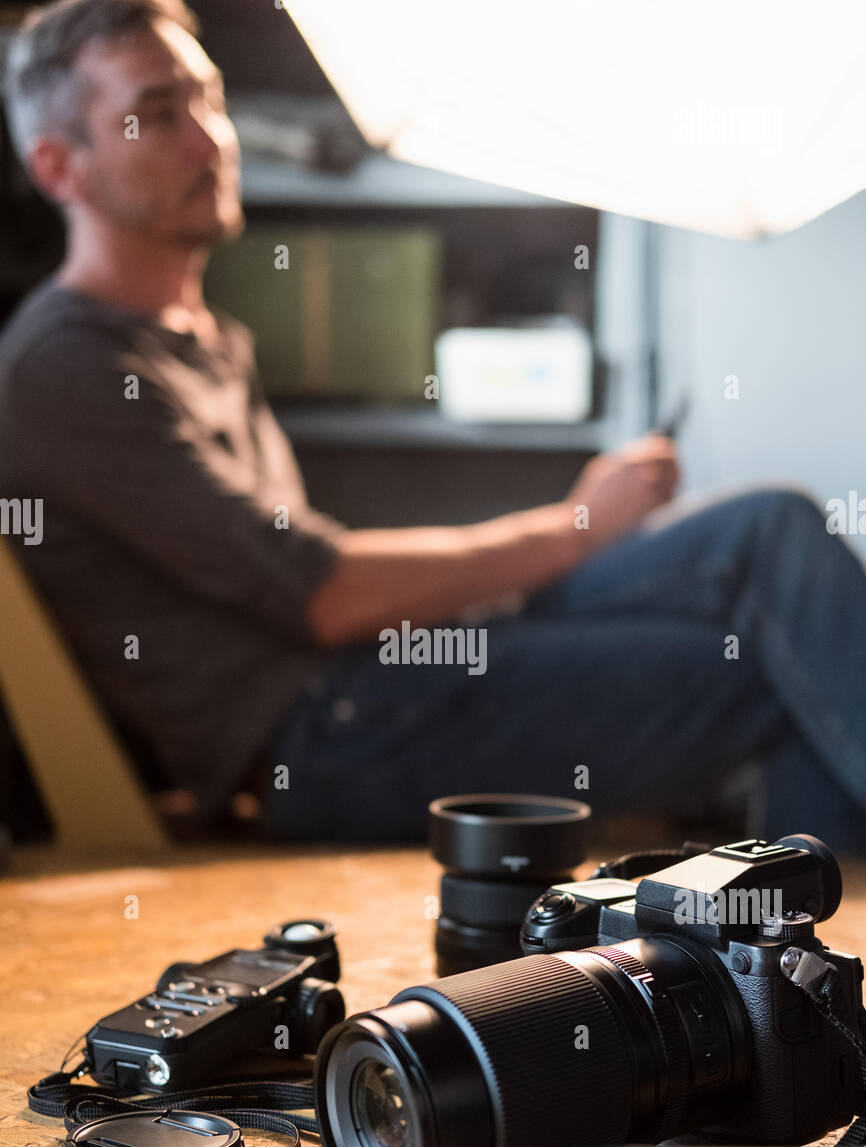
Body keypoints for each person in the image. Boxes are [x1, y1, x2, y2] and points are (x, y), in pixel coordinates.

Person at [1, 0, 865, 851]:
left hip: (377, 667)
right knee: (770, 674)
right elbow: (324, 596)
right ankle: (797, 974)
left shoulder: (201, 332)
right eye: (153, 116)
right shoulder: (68, 367)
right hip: (318, 730)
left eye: (208, 98)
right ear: (57, 168)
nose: (210, 139)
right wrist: (573, 530)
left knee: (770, 528)